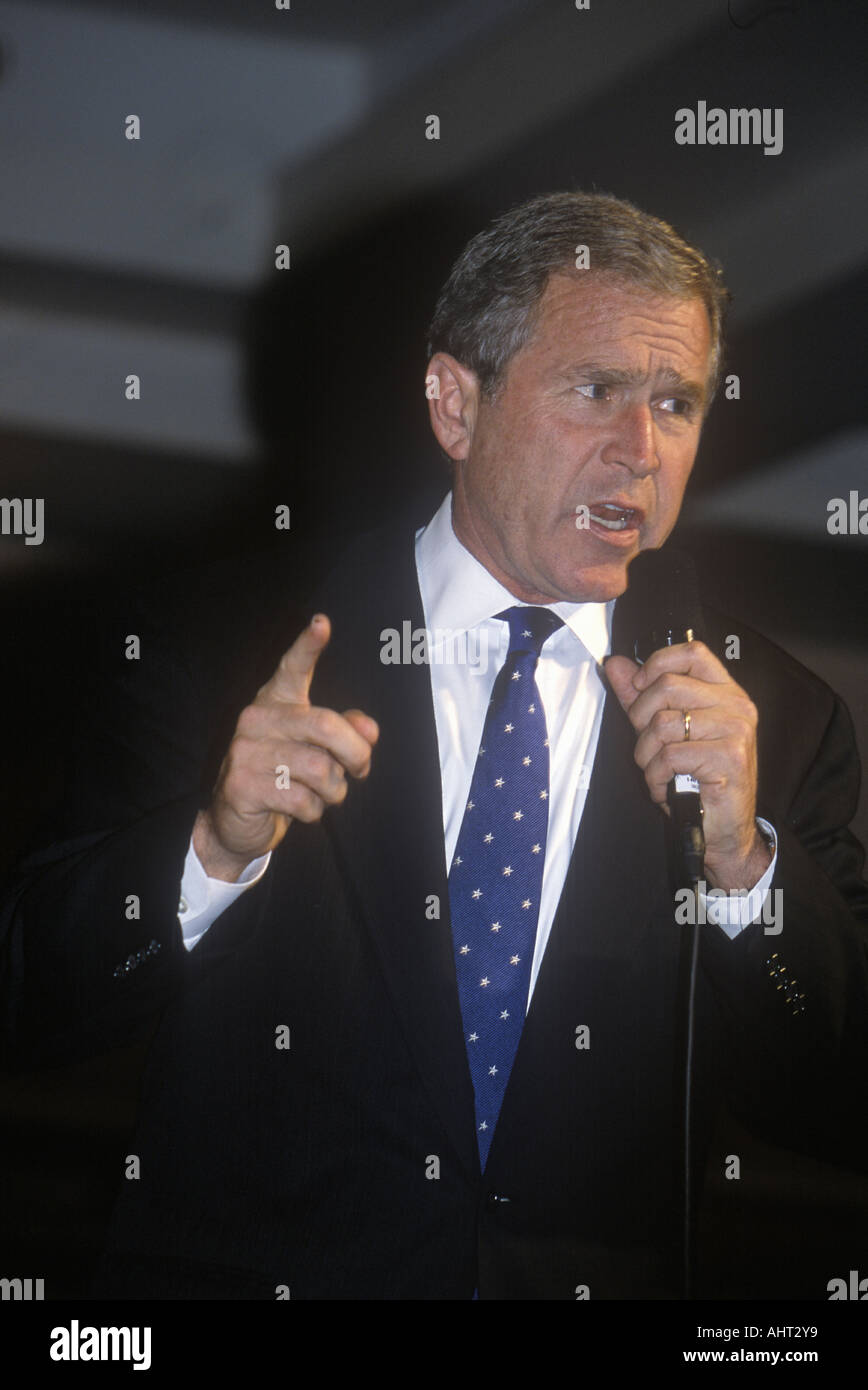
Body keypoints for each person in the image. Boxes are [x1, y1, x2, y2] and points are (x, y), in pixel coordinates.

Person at [2, 191, 867, 1300]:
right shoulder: (222, 652)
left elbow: (843, 1103)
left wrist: (748, 868)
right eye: (596, 389)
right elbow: (26, 1000)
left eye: (677, 401)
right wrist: (212, 848)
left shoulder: (774, 725)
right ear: (455, 404)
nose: (640, 450)